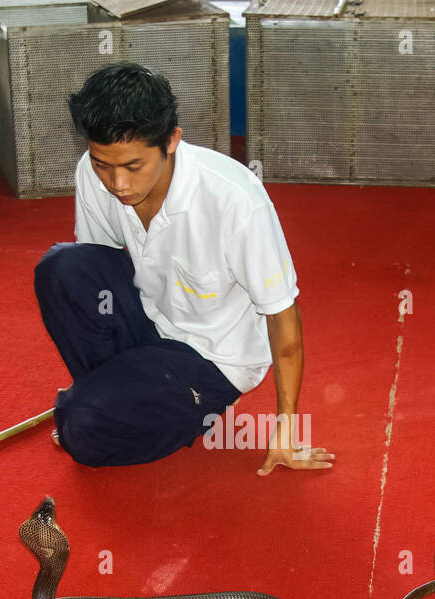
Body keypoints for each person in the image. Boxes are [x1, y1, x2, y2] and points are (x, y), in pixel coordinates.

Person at [33, 62, 333, 475]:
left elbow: (282, 315)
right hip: (151, 322)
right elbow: (97, 268)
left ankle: (124, 407)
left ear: (171, 140)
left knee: (80, 431)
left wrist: (286, 425)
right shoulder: (92, 170)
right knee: (62, 268)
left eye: (133, 166)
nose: (117, 183)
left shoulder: (235, 200)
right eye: (105, 165)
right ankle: (110, 394)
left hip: (212, 358)